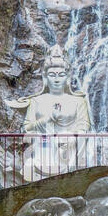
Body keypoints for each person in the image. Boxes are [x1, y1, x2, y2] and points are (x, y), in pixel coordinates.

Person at [8, 46, 92, 181]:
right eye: (52, 75)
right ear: (45, 77)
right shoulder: (36, 100)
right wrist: (46, 119)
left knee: (81, 137)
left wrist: (70, 137)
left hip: (69, 146)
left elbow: (84, 125)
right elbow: (26, 127)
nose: (57, 79)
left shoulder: (78, 101)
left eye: (61, 74)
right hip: (43, 146)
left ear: (68, 77)